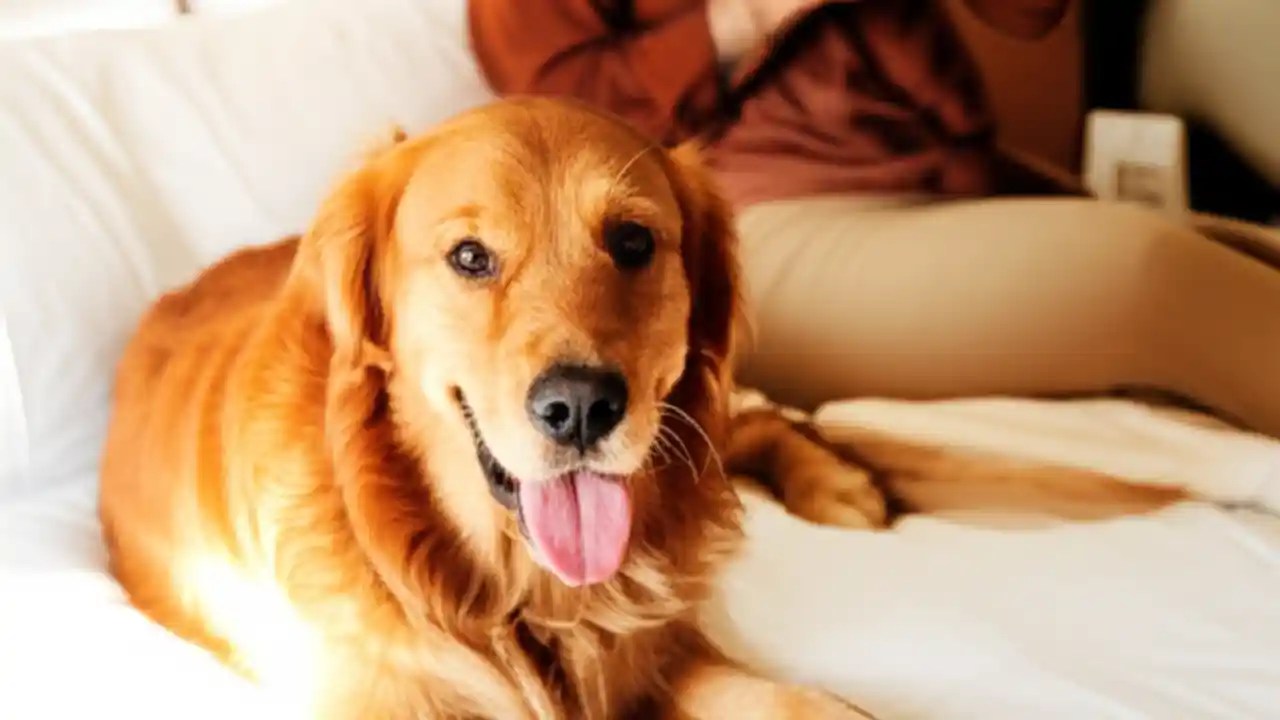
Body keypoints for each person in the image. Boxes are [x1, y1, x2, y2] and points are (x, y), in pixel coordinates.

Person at [467, 0, 1280, 438]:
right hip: (754, 231)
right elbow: (562, 121)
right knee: (1145, 277)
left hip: (942, 181)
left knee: (1236, 254)